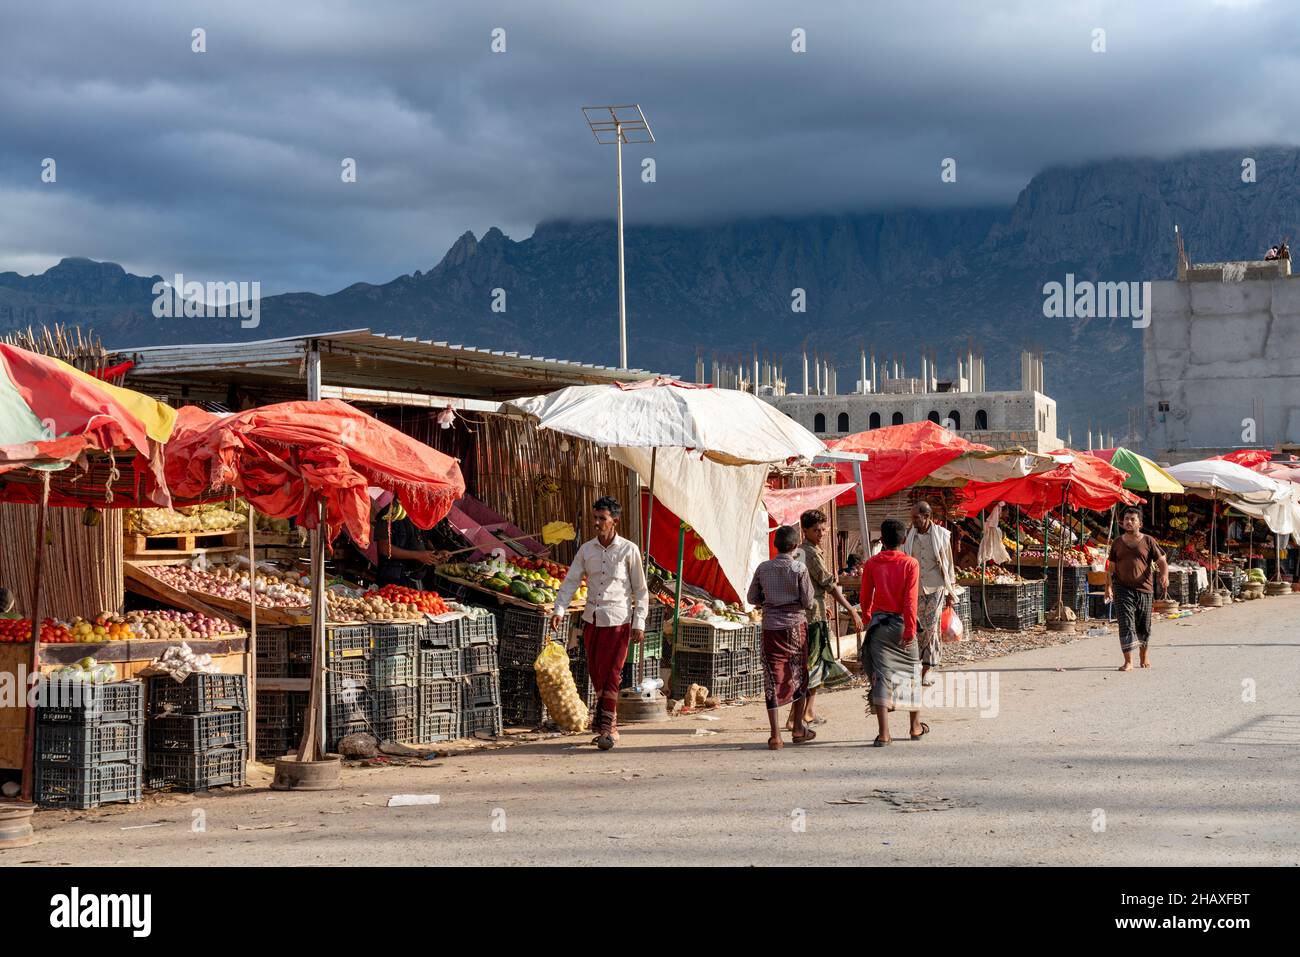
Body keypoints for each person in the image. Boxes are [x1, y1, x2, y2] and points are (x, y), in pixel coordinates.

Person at [551, 496, 648, 751]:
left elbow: (640, 589)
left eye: (601, 519)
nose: (596, 523)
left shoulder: (629, 550)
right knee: (596, 675)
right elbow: (571, 581)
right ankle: (607, 723)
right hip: (592, 620)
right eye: (595, 518)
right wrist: (559, 609)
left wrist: (639, 622)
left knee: (612, 675)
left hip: (619, 621)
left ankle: (608, 727)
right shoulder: (586, 550)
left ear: (614, 521)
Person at [787, 509, 861, 730]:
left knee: (815, 666)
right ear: (805, 530)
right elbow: (830, 585)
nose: (820, 533)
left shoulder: (800, 552)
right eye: (816, 530)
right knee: (811, 667)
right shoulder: (809, 553)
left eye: (822, 530)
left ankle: (807, 712)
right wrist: (852, 610)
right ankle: (795, 716)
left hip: (812, 612)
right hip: (812, 618)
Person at [747, 524, 817, 750]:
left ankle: (775, 736)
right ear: (796, 546)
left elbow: (751, 597)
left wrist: (769, 602)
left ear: (775, 545)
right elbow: (807, 601)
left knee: (772, 677)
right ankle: (798, 728)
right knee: (798, 675)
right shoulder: (799, 569)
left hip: (770, 628)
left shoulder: (763, 568)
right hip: (795, 627)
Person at [860, 518, 926, 746]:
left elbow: (865, 597)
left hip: (879, 627)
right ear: (904, 539)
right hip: (901, 625)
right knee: (911, 675)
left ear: (882, 540)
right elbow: (910, 600)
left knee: (881, 676)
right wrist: (910, 629)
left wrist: (869, 618)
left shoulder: (872, 563)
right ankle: (915, 726)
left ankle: (884, 733)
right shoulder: (911, 564)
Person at [902, 501, 960, 686]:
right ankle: (917, 665)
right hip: (915, 587)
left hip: (936, 587)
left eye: (916, 518)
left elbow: (948, 563)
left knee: (931, 626)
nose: (913, 521)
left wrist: (951, 588)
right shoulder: (909, 536)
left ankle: (928, 668)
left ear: (926, 517)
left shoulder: (941, 536)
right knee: (916, 625)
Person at [1105, 506, 1169, 671]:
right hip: (1122, 588)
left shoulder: (1148, 541)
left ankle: (1144, 655)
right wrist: (1108, 586)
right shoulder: (1117, 542)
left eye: (1133, 519)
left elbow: (1161, 561)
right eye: (1126, 519)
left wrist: (1164, 575)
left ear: (1140, 523)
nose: (1129, 522)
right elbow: (1111, 567)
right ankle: (1128, 661)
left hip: (1144, 589)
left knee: (1144, 625)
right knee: (1125, 623)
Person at [372, 492, 448, 588]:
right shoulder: (388, 513)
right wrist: (418, 555)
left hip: (413, 581)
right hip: (393, 581)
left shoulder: (415, 516)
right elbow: (384, 549)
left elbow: (421, 544)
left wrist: (437, 555)